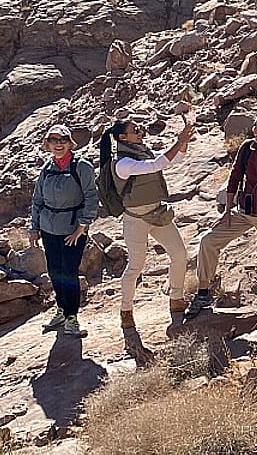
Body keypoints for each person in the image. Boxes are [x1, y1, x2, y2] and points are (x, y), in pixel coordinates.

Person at [186, 106, 257, 319]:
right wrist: (227, 209)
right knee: (209, 241)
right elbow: (235, 177)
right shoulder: (247, 148)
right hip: (245, 211)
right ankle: (203, 292)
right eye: (255, 126)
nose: (255, 130)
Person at [105, 114, 195, 331]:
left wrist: (182, 144)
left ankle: (176, 299)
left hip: (157, 213)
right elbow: (157, 164)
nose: (141, 132)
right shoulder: (123, 163)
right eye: (135, 130)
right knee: (136, 266)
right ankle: (126, 310)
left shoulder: (142, 153)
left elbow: (174, 160)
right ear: (122, 138)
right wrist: (179, 141)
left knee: (179, 254)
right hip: (135, 220)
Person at [30, 124, 98, 338]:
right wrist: (34, 227)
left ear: (70, 143)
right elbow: (38, 199)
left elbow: (91, 197)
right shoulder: (47, 168)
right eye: (54, 140)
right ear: (47, 144)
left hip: (72, 229)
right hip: (49, 229)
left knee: (69, 272)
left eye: (63, 140)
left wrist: (83, 226)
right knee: (55, 271)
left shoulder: (81, 166)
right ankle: (61, 310)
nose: (58, 144)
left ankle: (71, 317)